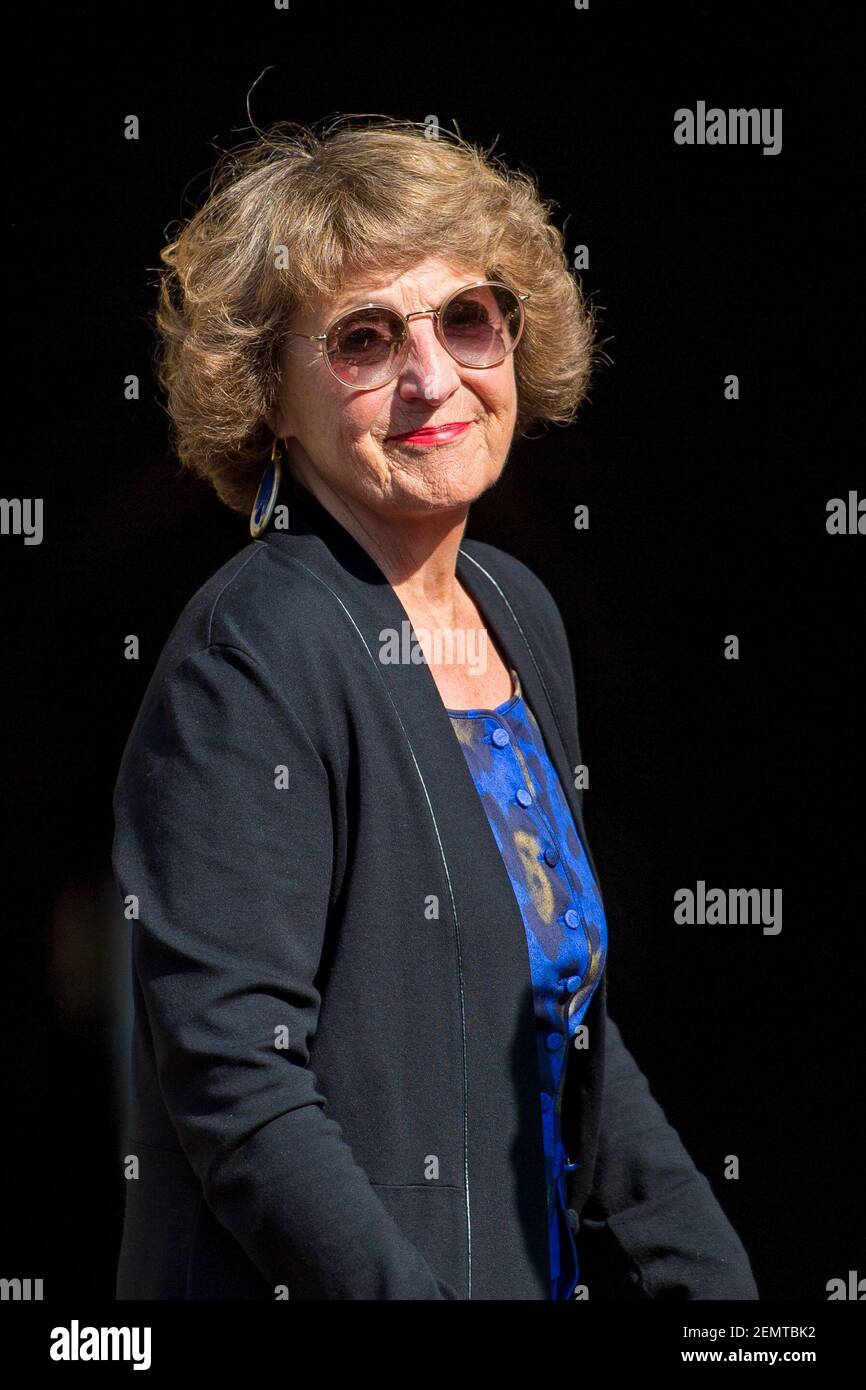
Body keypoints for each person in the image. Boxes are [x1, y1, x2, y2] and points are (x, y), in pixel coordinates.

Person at [113, 116, 759, 1300]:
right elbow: (240, 1094)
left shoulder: (514, 610)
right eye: (363, 340)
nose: (432, 376)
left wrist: (717, 1295)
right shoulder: (249, 657)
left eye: (466, 318)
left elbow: (563, 1026)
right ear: (268, 395)